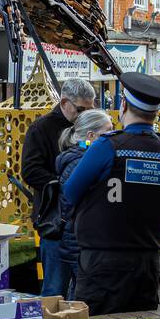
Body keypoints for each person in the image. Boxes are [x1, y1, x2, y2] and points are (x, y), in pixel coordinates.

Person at [62, 72, 160, 314]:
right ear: (155, 112)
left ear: (123, 105)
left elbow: (70, 192)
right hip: (148, 261)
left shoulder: (107, 146)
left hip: (102, 261)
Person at [20, 77, 96, 299]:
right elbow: (30, 171)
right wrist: (65, 183)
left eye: (89, 109)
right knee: (55, 289)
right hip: (54, 221)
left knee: (80, 291)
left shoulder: (84, 126)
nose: (84, 115)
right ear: (64, 103)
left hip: (81, 220)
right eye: (80, 109)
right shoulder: (40, 129)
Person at [54, 108, 114, 301]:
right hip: (78, 239)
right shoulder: (82, 163)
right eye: (107, 131)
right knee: (81, 292)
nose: (112, 136)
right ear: (91, 135)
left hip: (75, 237)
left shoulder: (78, 159)